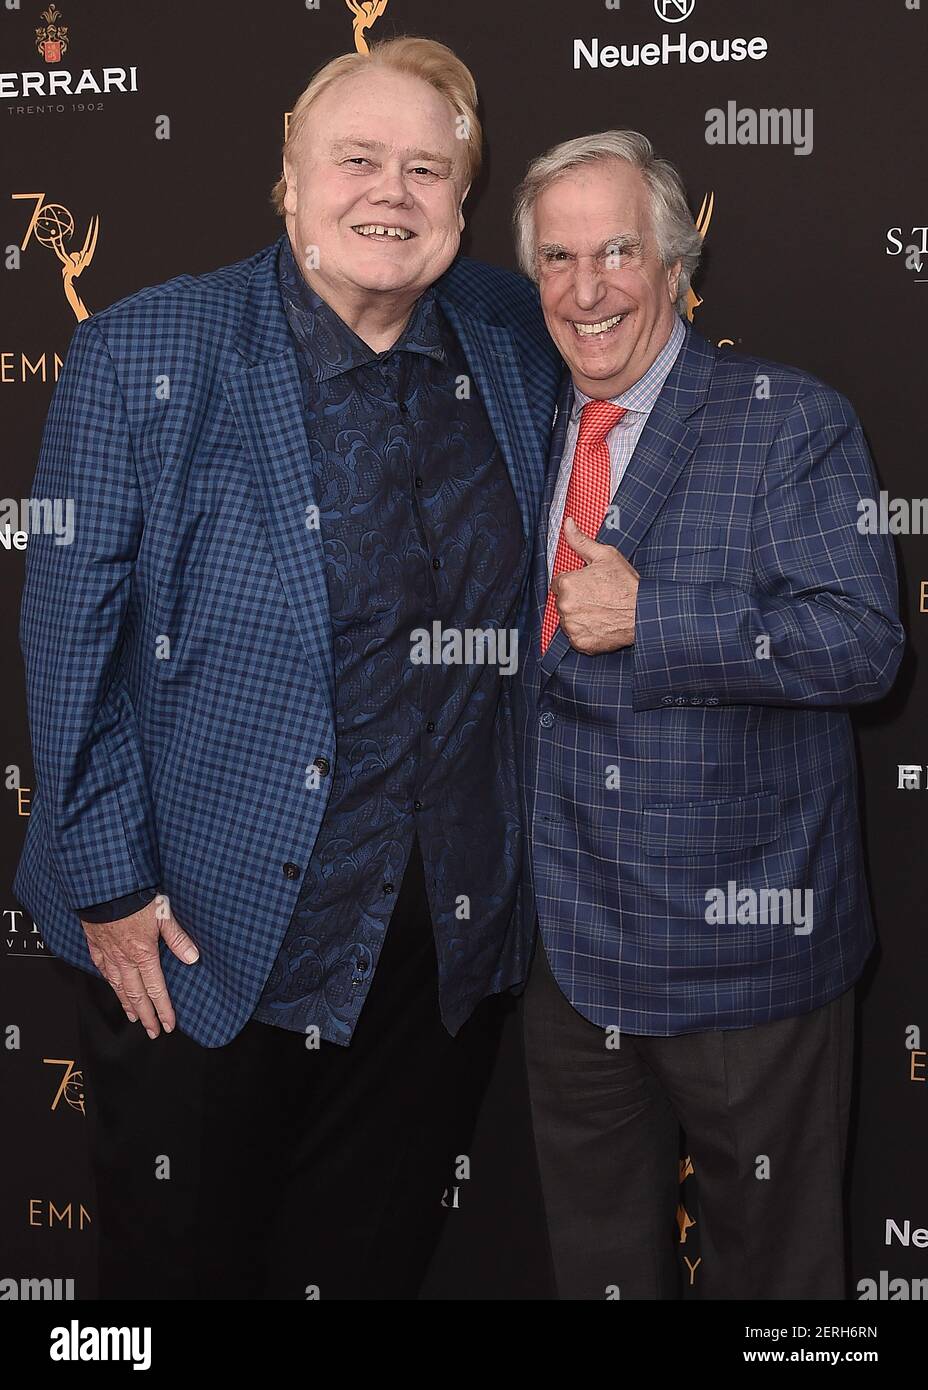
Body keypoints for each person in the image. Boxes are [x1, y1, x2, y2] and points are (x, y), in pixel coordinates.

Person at [14, 36, 560, 1300]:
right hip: (197, 941)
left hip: (428, 949)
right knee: (178, 1275)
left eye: (430, 170)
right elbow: (69, 632)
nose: (392, 194)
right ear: (289, 180)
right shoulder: (147, 351)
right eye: (357, 160)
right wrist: (104, 881)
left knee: (366, 1270)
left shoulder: (512, 340)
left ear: (466, 204)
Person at [512, 129, 904, 1300]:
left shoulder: (791, 420)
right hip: (568, 966)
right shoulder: (524, 428)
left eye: (619, 251)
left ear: (678, 266)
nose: (588, 291)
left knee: (779, 1287)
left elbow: (864, 643)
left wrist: (657, 616)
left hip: (747, 966)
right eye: (558, 259)